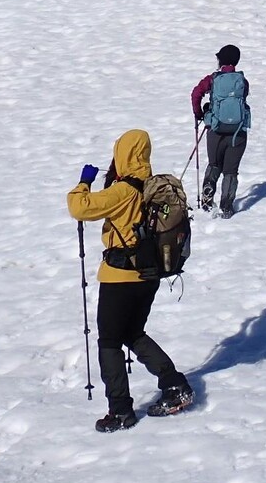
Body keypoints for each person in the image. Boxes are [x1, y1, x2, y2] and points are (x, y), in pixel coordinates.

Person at [68, 130, 194, 432]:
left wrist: (84, 182)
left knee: (110, 341)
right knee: (134, 333)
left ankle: (121, 411)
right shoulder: (152, 187)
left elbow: (79, 207)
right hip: (148, 276)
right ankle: (174, 383)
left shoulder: (124, 191)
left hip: (119, 278)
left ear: (122, 155)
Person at [190, 44, 250, 218]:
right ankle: (227, 206)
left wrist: (200, 112)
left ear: (221, 61)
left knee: (214, 164)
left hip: (215, 130)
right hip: (238, 133)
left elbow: (196, 93)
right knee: (231, 171)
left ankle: (208, 197)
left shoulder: (213, 79)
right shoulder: (242, 81)